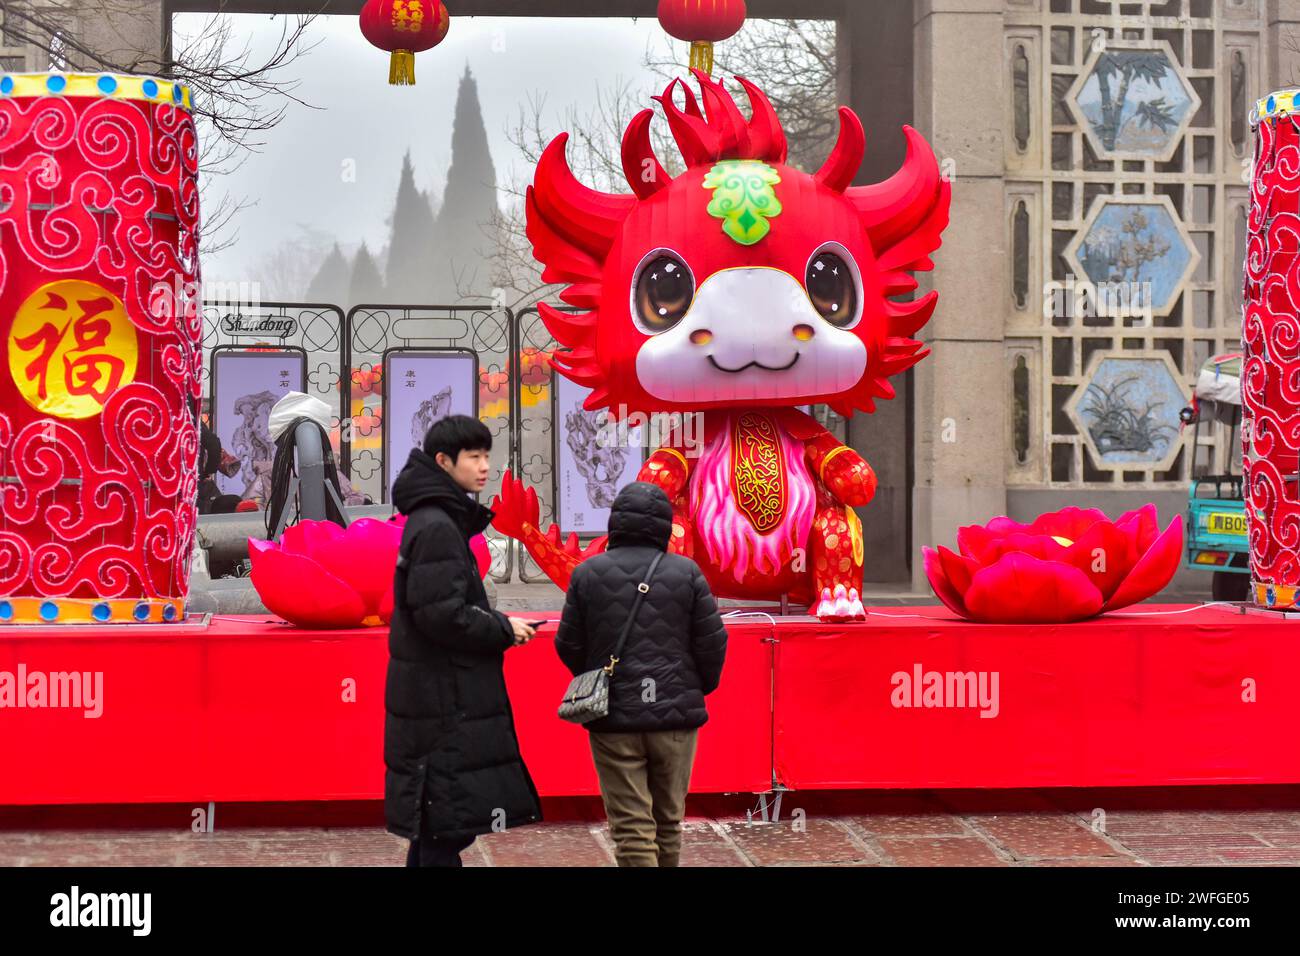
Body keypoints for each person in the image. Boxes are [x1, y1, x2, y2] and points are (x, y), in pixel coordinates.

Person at [384, 414, 543, 867]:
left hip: (437, 695)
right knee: (445, 829)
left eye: (486, 455)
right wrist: (501, 628)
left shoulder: (436, 518)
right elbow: (441, 615)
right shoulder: (437, 525)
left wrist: (495, 620)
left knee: (439, 829)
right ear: (443, 461)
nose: (484, 466)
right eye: (474, 457)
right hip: (443, 701)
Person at [554, 481, 727, 867]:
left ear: (615, 523)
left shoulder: (588, 574)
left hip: (614, 717)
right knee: (669, 821)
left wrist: (594, 677)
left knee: (632, 826)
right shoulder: (688, 573)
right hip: (676, 719)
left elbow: (568, 643)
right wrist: (695, 687)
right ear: (665, 527)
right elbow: (712, 644)